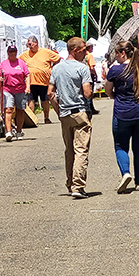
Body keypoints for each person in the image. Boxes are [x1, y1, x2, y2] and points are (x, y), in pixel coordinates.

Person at [105, 39, 139, 193]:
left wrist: (116, 96)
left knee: (120, 146)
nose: (116, 57)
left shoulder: (115, 71)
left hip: (122, 113)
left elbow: (107, 91)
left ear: (123, 53)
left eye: (117, 54)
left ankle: (125, 173)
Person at [48, 37, 93, 198]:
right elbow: (87, 94)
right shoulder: (82, 68)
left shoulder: (57, 68)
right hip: (79, 112)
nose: (86, 52)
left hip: (65, 113)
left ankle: (70, 183)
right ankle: (78, 186)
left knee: (69, 150)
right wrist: (90, 89)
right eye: (83, 50)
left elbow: (50, 93)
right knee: (81, 150)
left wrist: (58, 110)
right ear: (75, 50)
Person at [19, 37, 61, 124]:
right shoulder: (25, 54)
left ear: (36, 43)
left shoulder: (46, 52)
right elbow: (18, 62)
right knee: (31, 100)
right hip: (30, 82)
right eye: (28, 44)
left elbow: (58, 58)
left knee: (45, 100)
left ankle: (46, 117)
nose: (29, 46)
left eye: (30, 44)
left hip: (44, 81)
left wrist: (53, 68)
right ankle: (32, 119)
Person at [0, 44, 30, 141]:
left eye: (14, 51)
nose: (13, 53)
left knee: (20, 109)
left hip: (20, 89)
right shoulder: (3, 64)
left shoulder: (21, 63)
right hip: (8, 89)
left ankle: (19, 131)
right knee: (8, 109)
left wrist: (28, 87)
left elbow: (27, 75)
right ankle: (8, 132)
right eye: (11, 52)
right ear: (8, 53)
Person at [84, 43, 100, 115]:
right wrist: (95, 74)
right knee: (89, 92)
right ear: (89, 47)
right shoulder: (89, 55)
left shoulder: (83, 55)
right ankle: (89, 109)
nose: (92, 48)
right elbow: (92, 67)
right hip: (89, 75)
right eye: (92, 47)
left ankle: (90, 108)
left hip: (82, 76)